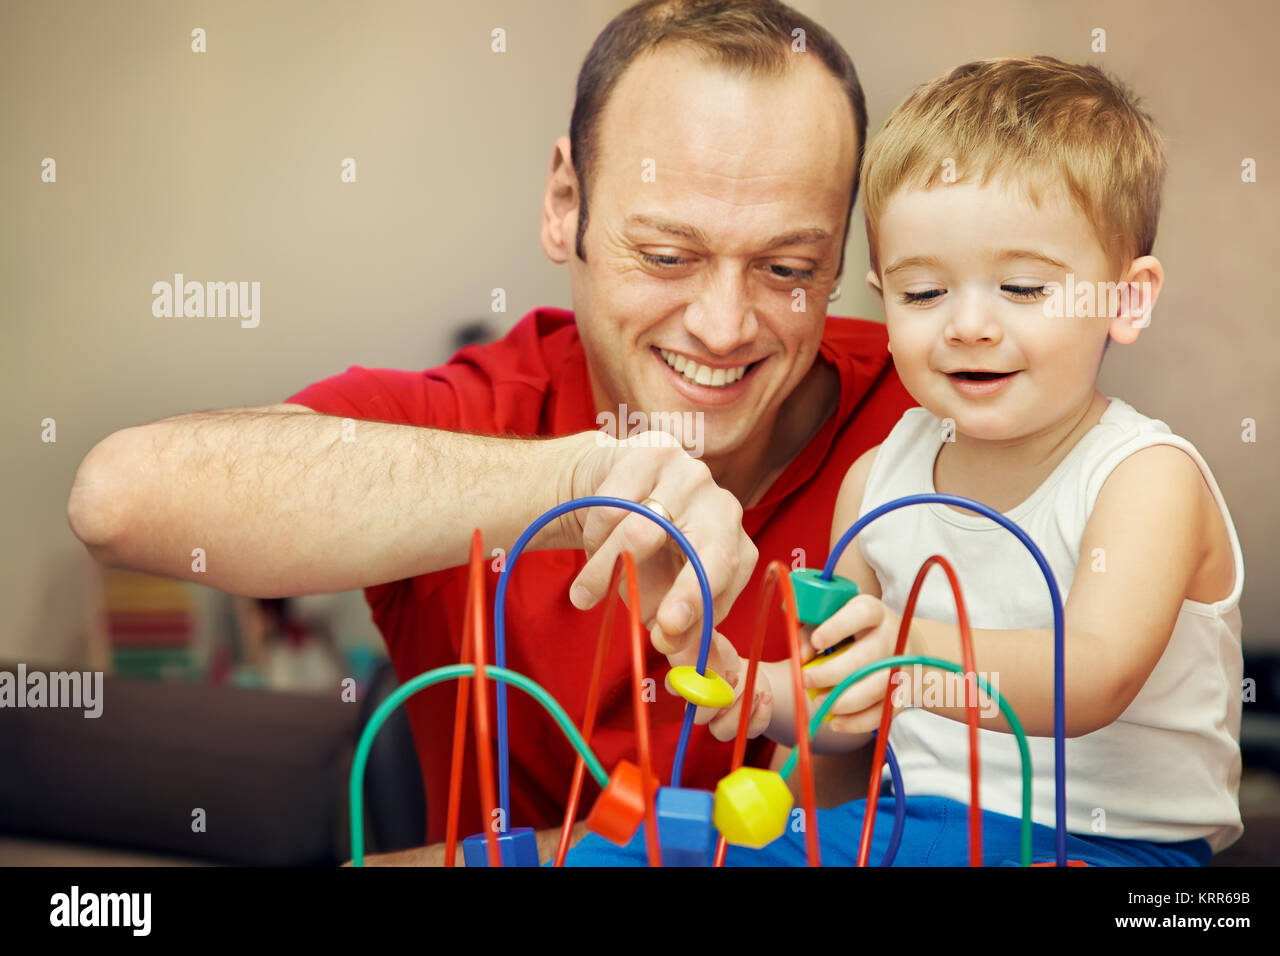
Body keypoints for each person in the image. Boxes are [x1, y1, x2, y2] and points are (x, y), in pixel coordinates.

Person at [65, 0, 916, 862]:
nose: (725, 325)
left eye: (787, 269)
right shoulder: (483, 414)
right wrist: (569, 487)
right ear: (564, 203)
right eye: (667, 255)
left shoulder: (938, 413)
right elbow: (117, 499)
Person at [564, 55, 1244, 866]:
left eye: (1023, 289)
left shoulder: (1144, 476)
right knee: (610, 849)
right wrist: (753, 689)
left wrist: (906, 648)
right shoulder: (878, 480)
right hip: (901, 826)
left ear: (1126, 300)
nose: (968, 326)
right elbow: (840, 702)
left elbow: (1092, 679)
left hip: (1099, 846)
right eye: (924, 294)